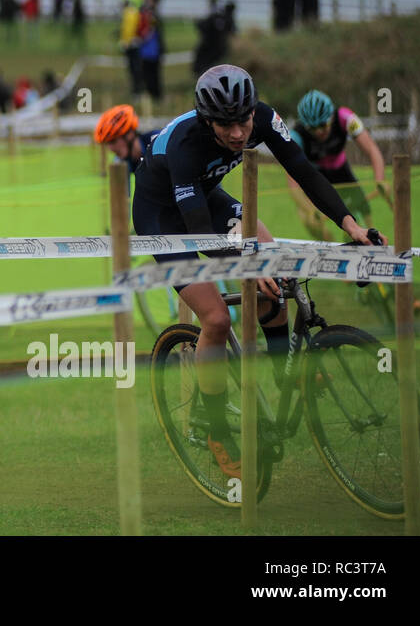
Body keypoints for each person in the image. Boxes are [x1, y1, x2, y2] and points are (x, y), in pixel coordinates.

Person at [133, 65, 380, 479]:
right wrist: (247, 266)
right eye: (225, 126)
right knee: (215, 318)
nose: (237, 134)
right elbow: (199, 232)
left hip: (206, 197)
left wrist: (350, 225)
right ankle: (215, 429)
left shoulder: (262, 117)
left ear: (252, 110)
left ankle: (286, 372)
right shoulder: (184, 144)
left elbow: (304, 171)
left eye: (243, 122)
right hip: (164, 219)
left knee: (273, 267)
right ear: (207, 121)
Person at [285, 90, 387, 241]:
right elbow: (293, 183)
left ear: (331, 117)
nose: (318, 131)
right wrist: (309, 209)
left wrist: (379, 179)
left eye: (323, 125)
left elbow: (372, 149)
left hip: (342, 174)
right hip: (315, 177)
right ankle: (330, 247)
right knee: (310, 222)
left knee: (365, 227)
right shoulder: (296, 136)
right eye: (312, 128)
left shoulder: (345, 118)